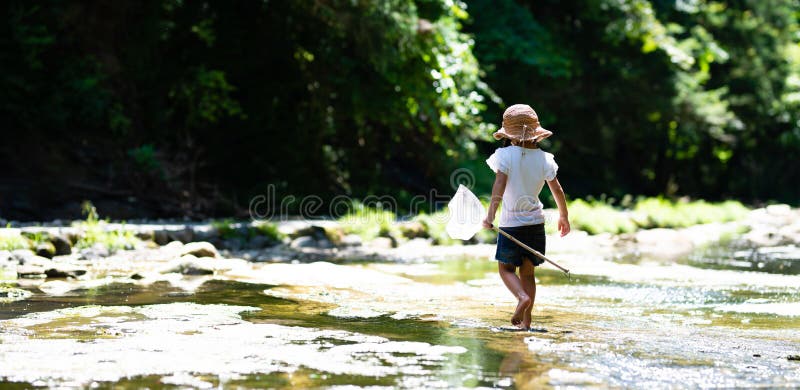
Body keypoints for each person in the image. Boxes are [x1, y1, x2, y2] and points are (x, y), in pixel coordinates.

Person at [482, 104, 571, 330]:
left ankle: (521, 297)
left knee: (506, 269)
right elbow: (558, 190)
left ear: (508, 134)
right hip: (536, 224)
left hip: (511, 225)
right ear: (535, 133)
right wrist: (564, 217)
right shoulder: (545, 159)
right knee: (528, 273)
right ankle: (527, 323)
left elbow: (498, 187)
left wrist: (490, 215)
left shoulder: (504, 155)